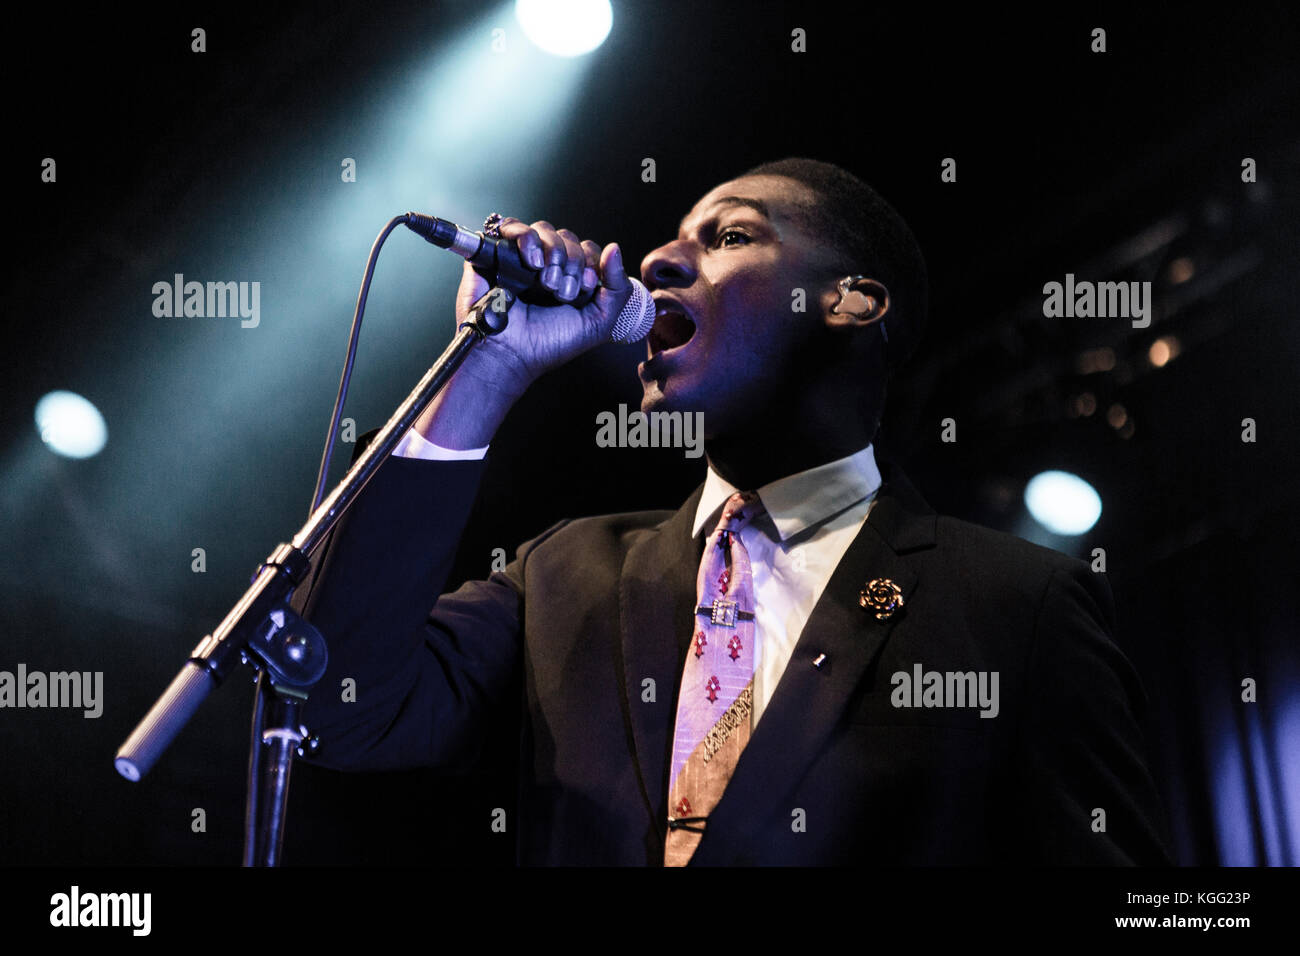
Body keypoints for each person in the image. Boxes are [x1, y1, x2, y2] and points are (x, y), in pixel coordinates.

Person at [292, 158, 1173, 865]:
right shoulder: (563, 574)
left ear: (850, 301)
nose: (660, 262)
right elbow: (334, 702)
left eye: (731, 236)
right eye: (673, 242)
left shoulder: (1014, 603)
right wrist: (486, 370)